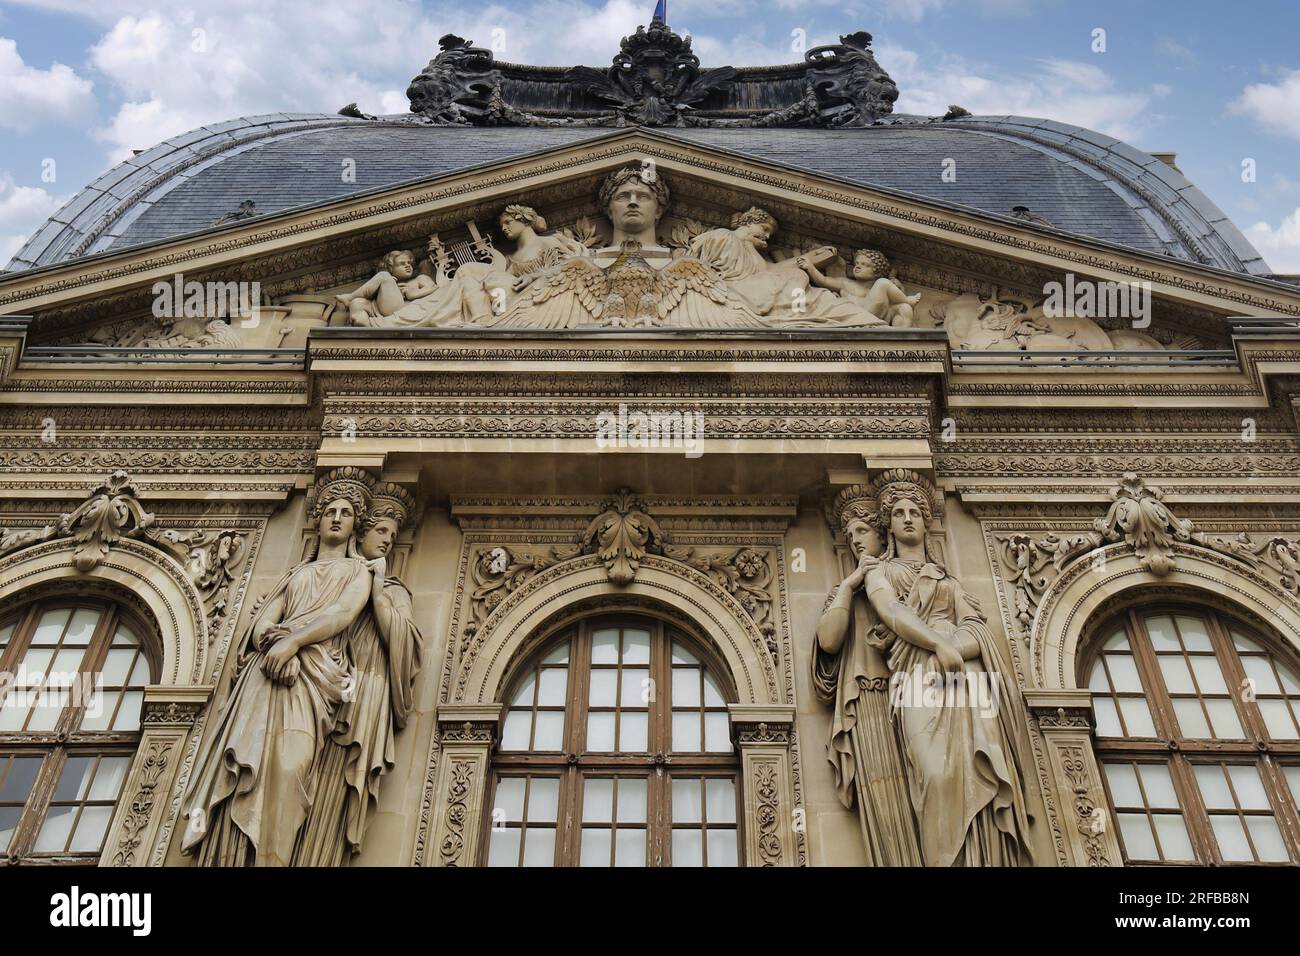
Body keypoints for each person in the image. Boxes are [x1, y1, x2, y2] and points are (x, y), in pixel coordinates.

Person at [181, 468, 377, 866]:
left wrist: (293, 643)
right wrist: (274, 642)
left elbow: (342, 613)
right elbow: (261, 624)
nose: (337, 518)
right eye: (329, 512)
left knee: (291, 767)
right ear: (318, 521)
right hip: (266, 677)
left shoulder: (358, 571)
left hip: (316, 679)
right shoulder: (295, 574)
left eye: (346, 513)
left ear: (356, 525)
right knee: (248, 760)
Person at [798, 249, 920, 327]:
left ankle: (900, 344)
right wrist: (810, 267)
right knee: (883, 283)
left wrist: (897, 287)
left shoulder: (878, 289)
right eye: (857, 263)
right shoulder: (846, 283)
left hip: (876, 315)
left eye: (865, 265)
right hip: (860, 316)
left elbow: (891, 302)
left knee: (905, 308)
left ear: (877, 271)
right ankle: (907, 299)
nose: (857, 267)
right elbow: (823, 280)